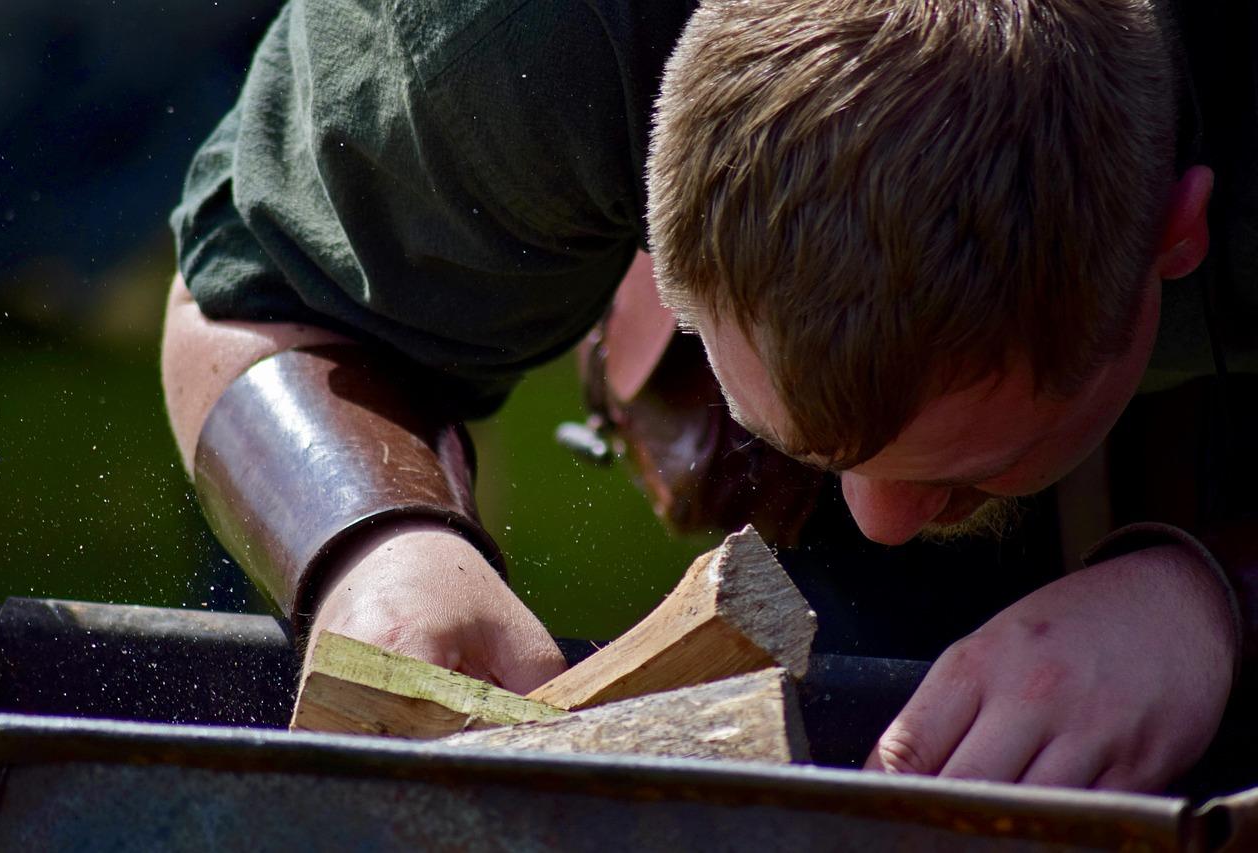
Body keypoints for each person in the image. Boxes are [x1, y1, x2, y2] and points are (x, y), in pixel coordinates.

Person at [162, 0, 1258, 792]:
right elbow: (250, 292)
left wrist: (1215, 597)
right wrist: (375, 542)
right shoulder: (529, 39)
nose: (878, 521)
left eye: (960, 462)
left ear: (1179, 236)